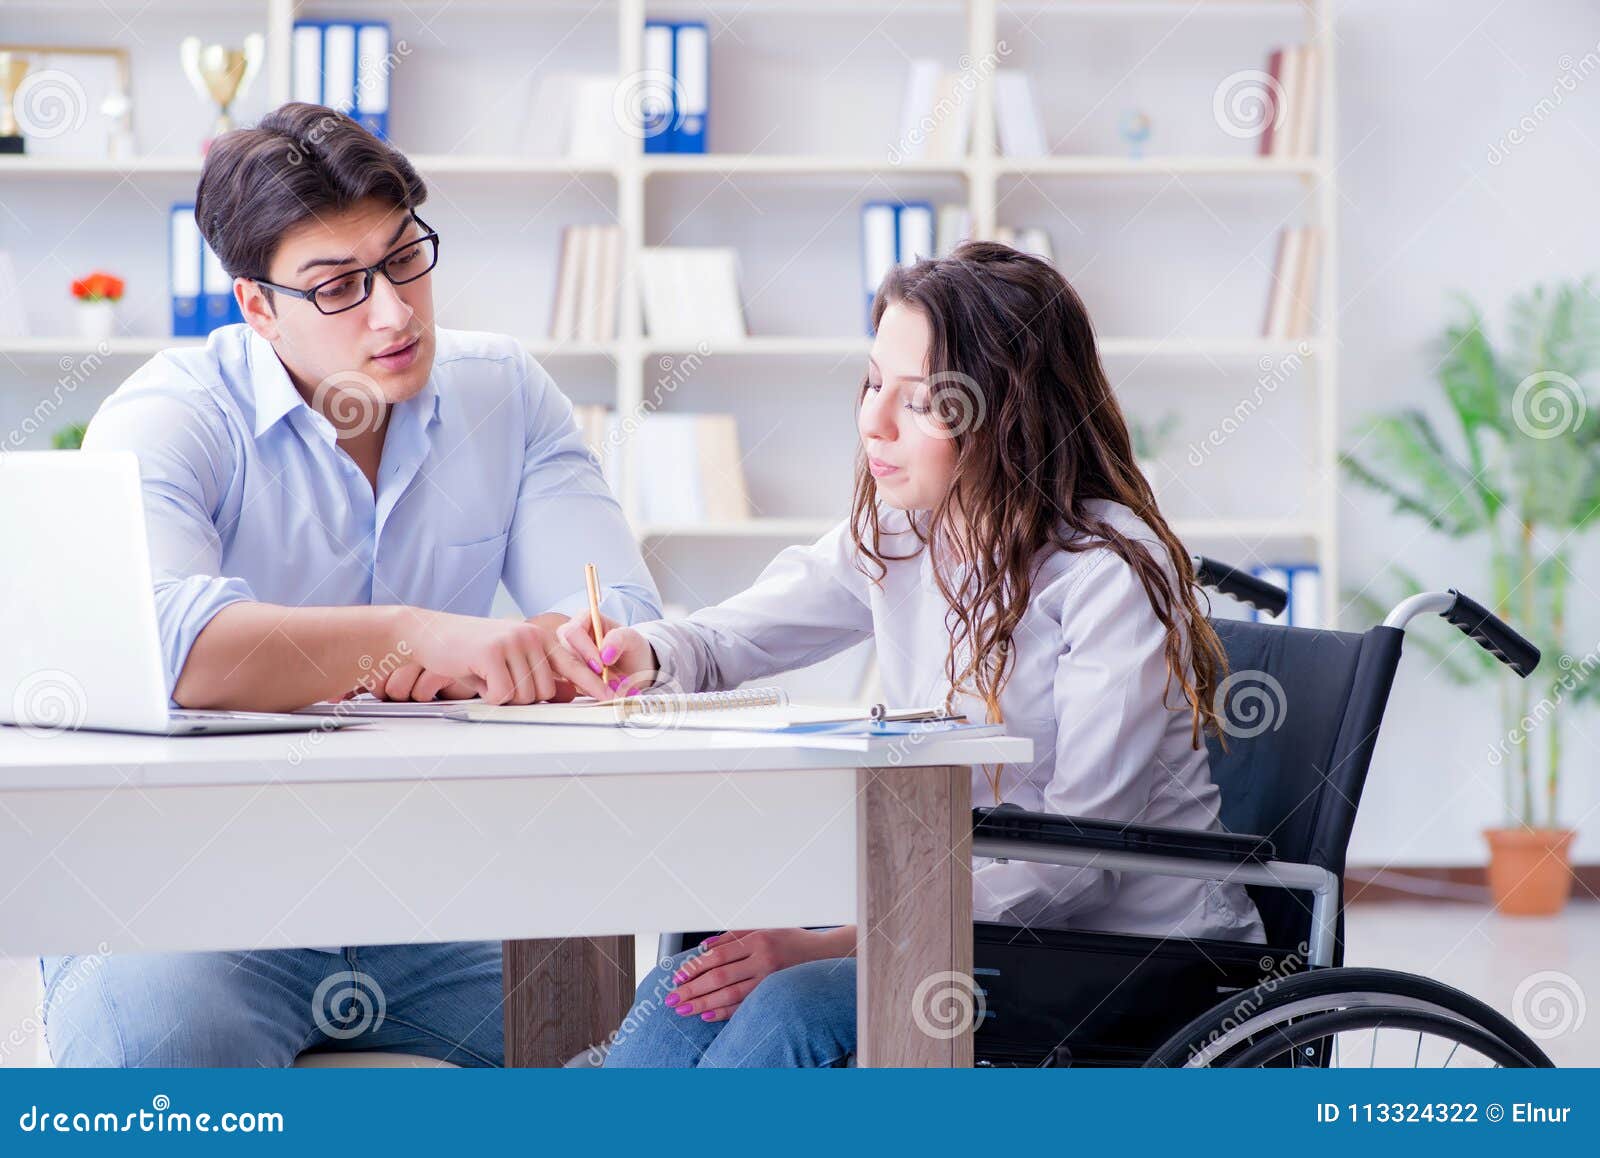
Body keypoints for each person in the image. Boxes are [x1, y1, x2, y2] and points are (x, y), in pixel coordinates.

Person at [41, 103, 660, 1067]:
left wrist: (534, 653)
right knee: (163, 1043)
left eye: (405, 256)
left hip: (434, 892)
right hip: (186, 898)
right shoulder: (170, 417)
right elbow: (170, 650)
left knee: (645, 1034)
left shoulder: (504, 391)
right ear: (256, 307)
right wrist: (414, 640)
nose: (395, 311)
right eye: (338, 287)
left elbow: (620, 621)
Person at [559, 241, 1267, 1068]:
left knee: (793, 1006)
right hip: (967, 926)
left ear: (1009, 410)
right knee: (682, 994)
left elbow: (1079, 860)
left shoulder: (1105, 572)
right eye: (871, 383)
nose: (873, 421)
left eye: (922, 401)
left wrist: (844, 941)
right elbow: (729, 638)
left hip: (1127, 955)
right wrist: (640, 649)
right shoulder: (905, 529)